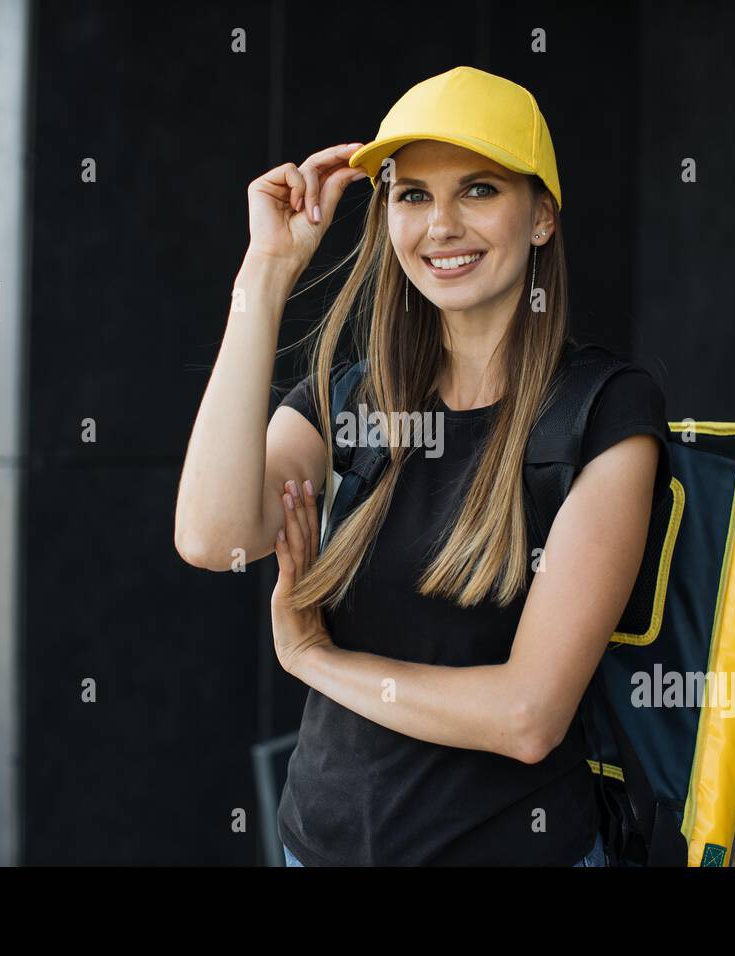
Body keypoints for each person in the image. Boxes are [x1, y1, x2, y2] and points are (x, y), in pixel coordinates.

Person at [175, 66, 670, 866]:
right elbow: (212, 536)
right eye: (411, 195)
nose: (441, 224)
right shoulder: (348, 398)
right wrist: (264, 277)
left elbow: (527, 716)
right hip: (317, 848)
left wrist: (318, 661)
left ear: (541, 217)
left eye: (478, 190)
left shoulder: (605, 410)